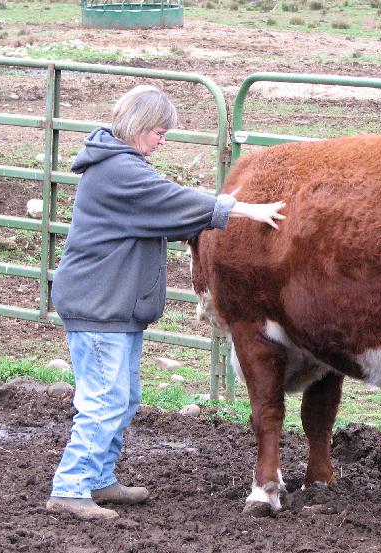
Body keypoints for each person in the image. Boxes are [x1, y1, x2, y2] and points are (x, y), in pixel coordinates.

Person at [46, 84, 285, 520]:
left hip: (113, 306)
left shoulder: (119, 166)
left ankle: (98, 478)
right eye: (159, 130)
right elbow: (174, 201)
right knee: (105, 400)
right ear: (138, 127)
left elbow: (166, 212)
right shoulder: (120, 171)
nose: (163, 139)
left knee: (123, 396)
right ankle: (71, 486)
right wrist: (247, 210)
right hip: (100, 307)